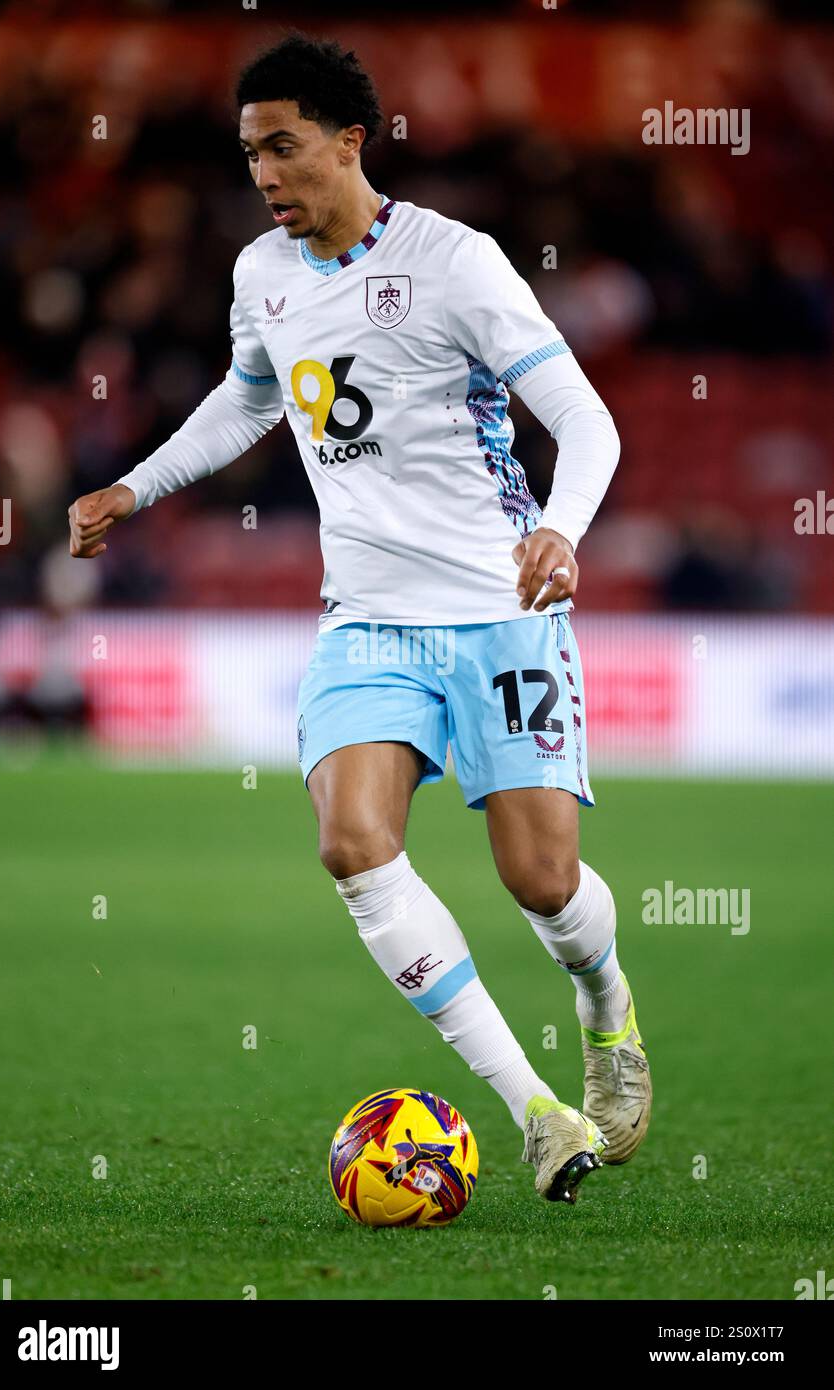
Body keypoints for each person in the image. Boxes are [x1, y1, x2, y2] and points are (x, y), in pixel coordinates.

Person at [68, 33, 651, 1205]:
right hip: (366, 621)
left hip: (498, 609)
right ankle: (532, 1112)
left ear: (350, 141)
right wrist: (135, 485)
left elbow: (585, 423)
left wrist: (561, 531)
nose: (266, 174)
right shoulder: (260, 275)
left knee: (541, 882)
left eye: (284, 147)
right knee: (350, 844)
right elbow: (247, 405)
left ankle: (606, 1009)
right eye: (248, 155)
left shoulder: (458, 263)